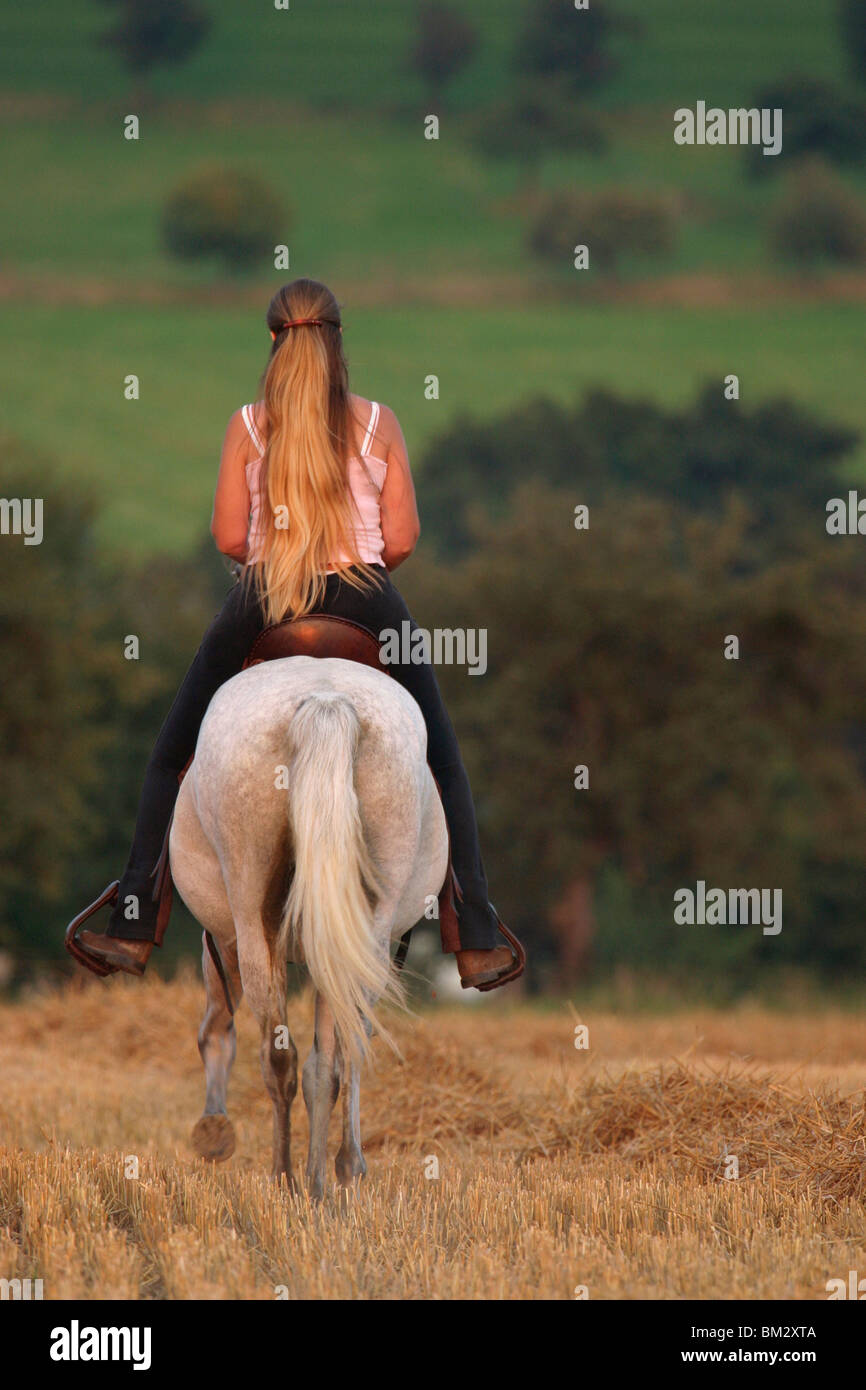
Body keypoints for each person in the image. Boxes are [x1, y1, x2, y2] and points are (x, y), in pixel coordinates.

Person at [67, 278, 523, 992]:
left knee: (171, 757)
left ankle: (131, 921)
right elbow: (401, 536)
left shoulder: (248, 426)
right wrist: (361, 563)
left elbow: (225, 533)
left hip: (264, 597)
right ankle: (478, 932)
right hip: (368, 598)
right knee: (442, 758)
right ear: (339, 342)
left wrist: (272, 559)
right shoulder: (379, 424)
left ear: (273, 343)